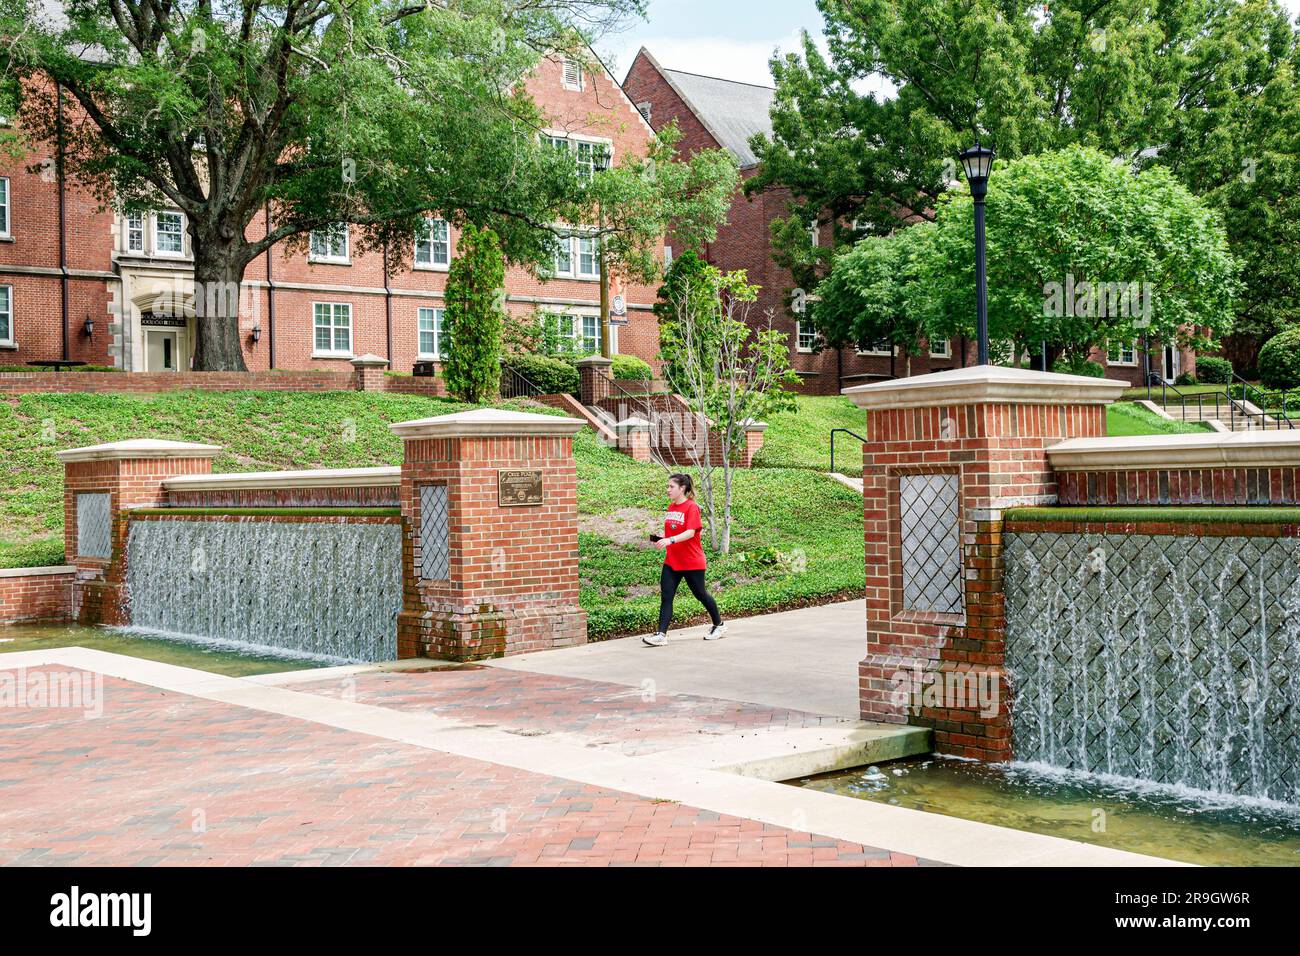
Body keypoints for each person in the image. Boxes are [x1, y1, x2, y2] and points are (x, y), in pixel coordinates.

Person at [643, 473, 726, 647]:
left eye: (671, 487)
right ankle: (661, 634)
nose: (668, 490)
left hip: (691, 561)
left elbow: (690, 532)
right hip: (672, 561)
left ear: (682, 488)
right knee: (666, 596)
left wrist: (670, 540)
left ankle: (719, 625)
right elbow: (674, 532)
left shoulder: (692, 507)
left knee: (700, 594)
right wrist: (662, 539)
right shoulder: (671, 507)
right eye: (667, 486)